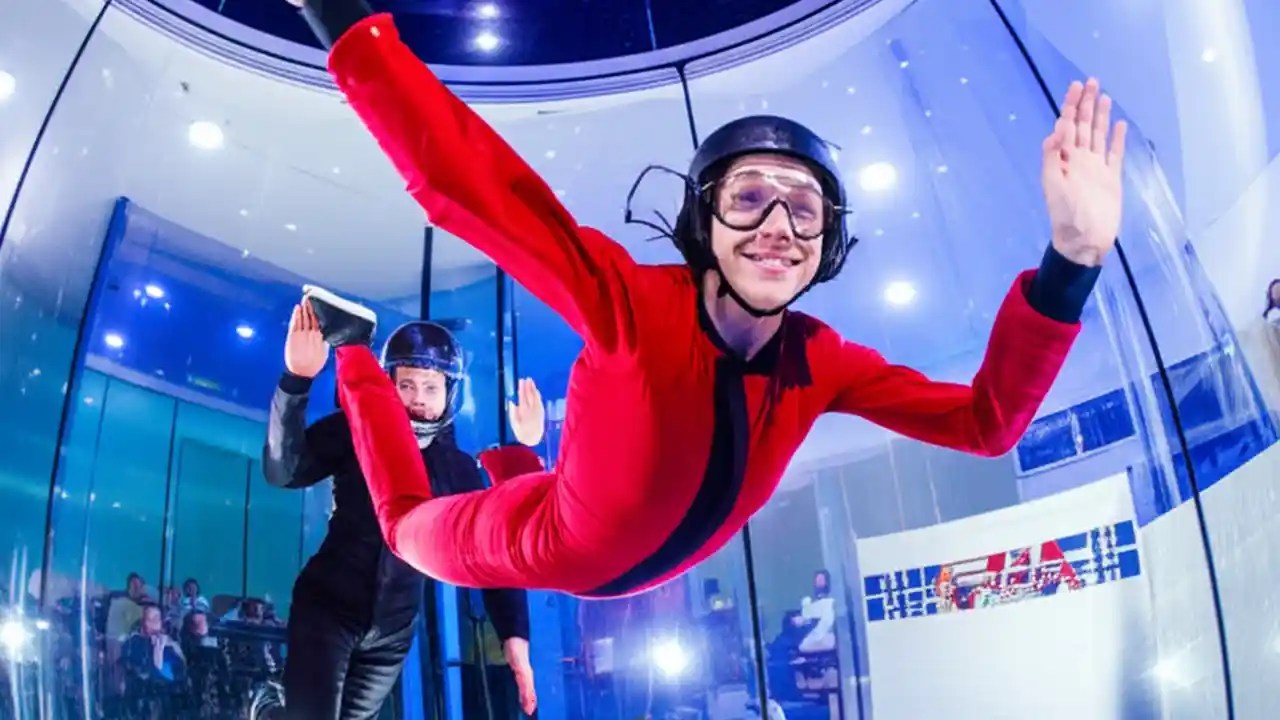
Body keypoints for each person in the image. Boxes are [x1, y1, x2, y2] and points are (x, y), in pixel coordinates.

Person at [282, 0, 1126, 599]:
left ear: (828, 245)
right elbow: (471, 186)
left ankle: (519, 459)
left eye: (806, 210)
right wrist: (342, 22)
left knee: (524, 476)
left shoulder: (821, 359)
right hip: (542, 541)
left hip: (577, 516)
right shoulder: (632, 305)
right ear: (704, 221)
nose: (778, 227)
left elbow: (985, 422)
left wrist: (1072, 261)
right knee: (403, 525)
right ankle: (358, 354)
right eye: (750, 196)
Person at [263, 307, 541, 718]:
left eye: (431, 387)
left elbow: (493, 554)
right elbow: (282, 472)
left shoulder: (459, 470)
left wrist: (514, 635)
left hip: (392, 635)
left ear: (451, 393)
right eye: (406, 384)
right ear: (387, 384)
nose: (418, 400)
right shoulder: (354, 429)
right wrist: (296, 381)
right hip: (327, 610)